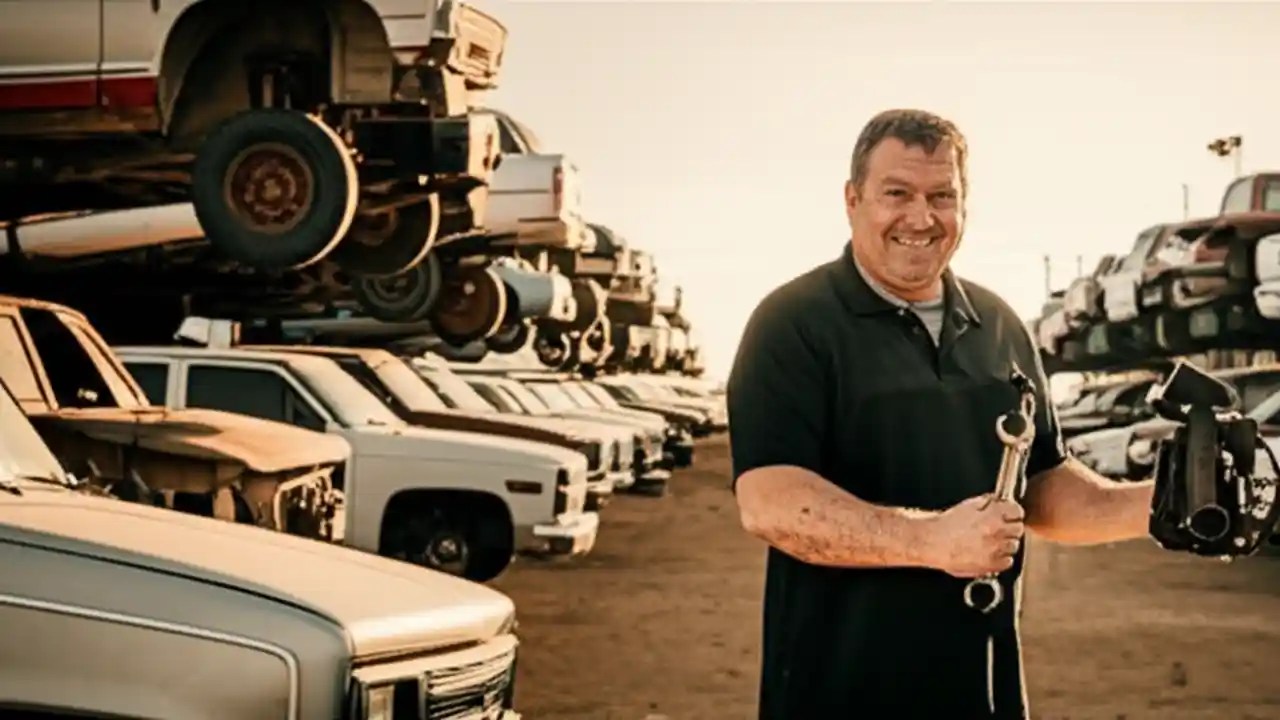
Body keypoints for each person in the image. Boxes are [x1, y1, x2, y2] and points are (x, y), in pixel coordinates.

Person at [726, 108, 1157, 719]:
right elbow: (768, 500)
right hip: (837, 694)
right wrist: (930, 540)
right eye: (896, 194)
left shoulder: (999, 324)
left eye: (942, 196)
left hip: (980, 694)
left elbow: (1043, 487)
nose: (921, 219)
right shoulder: (793, 323)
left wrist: (1167, 504)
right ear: (852, 200)